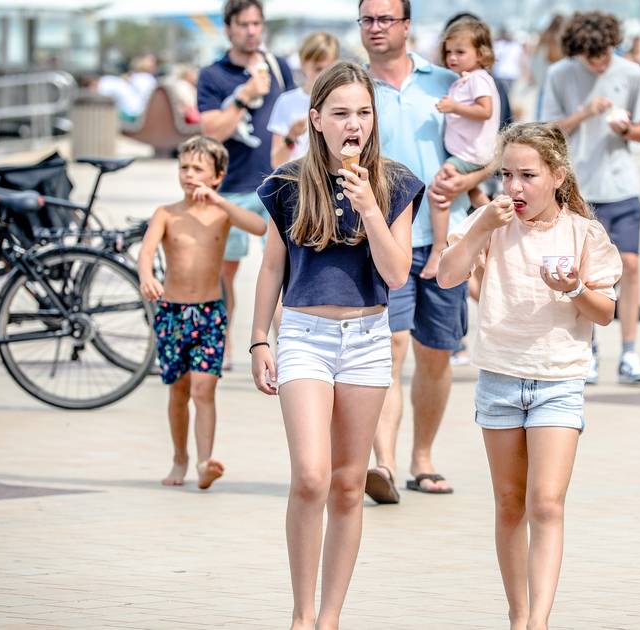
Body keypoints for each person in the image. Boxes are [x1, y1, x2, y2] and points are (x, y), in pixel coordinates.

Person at [249, 61, 423, 629]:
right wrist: (257, 340)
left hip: (368, 338)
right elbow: (271, 266)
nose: (355, 124)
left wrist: (370, 205)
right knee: (310, 476)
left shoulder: (394, 183)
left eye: (364, 113)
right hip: (303, 334)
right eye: (342, 113)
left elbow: (397, 274)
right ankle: (301, 617)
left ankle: (329, 618)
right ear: (316, 119)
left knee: (349, 485)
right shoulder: (285, 184)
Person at [437, 122, 621, 630]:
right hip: (498, 377)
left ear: (557, 176)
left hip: (558, 380)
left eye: (527, 175)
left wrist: (573, 289)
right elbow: (447, 276)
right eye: (507, 175)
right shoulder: (490, 222)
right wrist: (479, 228)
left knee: (546, 502)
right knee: (509, 502)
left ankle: (538, 620)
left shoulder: (584, 233)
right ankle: (517, 614)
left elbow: (605, 312)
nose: (514, 187)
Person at [359, 0, 492, 501]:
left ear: (406, 26)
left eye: (385, 19)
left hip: (446, 241)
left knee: (435, 354)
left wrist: (468, 182)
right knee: (387, 350)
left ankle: (422, 458)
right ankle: (385, 465)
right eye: (367, 19)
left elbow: (492, 148)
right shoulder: (354, 88)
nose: (376, 28)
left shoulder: (450, 81)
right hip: (381, 242)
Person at [137, 136, 267, 490]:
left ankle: (205, 462)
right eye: (184, 167)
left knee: (203, 389)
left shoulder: (221, 214)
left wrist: (221, 202)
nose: (189, 174)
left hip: (210, 312)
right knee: (178, 391)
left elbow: (260, 227)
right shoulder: (167, 213)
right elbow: (147, 253)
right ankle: (179, 457)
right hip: (172, 313)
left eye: (198, 169)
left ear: (217, 176)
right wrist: (147, 276)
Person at [540, 11, 640, 385]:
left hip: (621, 183)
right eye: (591, 57)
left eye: (604, 55)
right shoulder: (560, 74)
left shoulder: (630, 73)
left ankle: (629, 354)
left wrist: (628, 128)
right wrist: (583, 113)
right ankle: (589, 351)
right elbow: (546, 130)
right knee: (584, 275)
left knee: (630, 265)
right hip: (577, 188)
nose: (598, 63)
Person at [197, 0, 295, 370]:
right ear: (229, 28)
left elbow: (293, 118)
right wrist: (244, 95)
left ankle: (286, 352)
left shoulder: (279, 67)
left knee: (283, 271)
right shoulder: (213, 75)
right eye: (244, 25)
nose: (252, 31)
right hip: (232, 187)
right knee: (225, 272)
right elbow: (212, 132)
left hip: (278, 186)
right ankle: (224, 347)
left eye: (257, 24)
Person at [435, 17, 500, 210]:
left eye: (460, 52)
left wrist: (454, 107)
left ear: (480, 54)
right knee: (473, 192)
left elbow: (485, 110)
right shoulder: (469, 79)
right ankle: (493, 221)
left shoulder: (477, 80)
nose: (452, 57)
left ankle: (439, 240)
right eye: (449, 52)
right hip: (470, 152)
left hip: (471, 154)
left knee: (441, 185)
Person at [269, 32, 340, 167]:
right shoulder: (286, 102)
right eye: (318, 68)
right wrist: (291, 136)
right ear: (302, 63)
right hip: (296, 182)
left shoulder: (344, 101)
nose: (323, 75)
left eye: (329, 69)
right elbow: (276, 163)